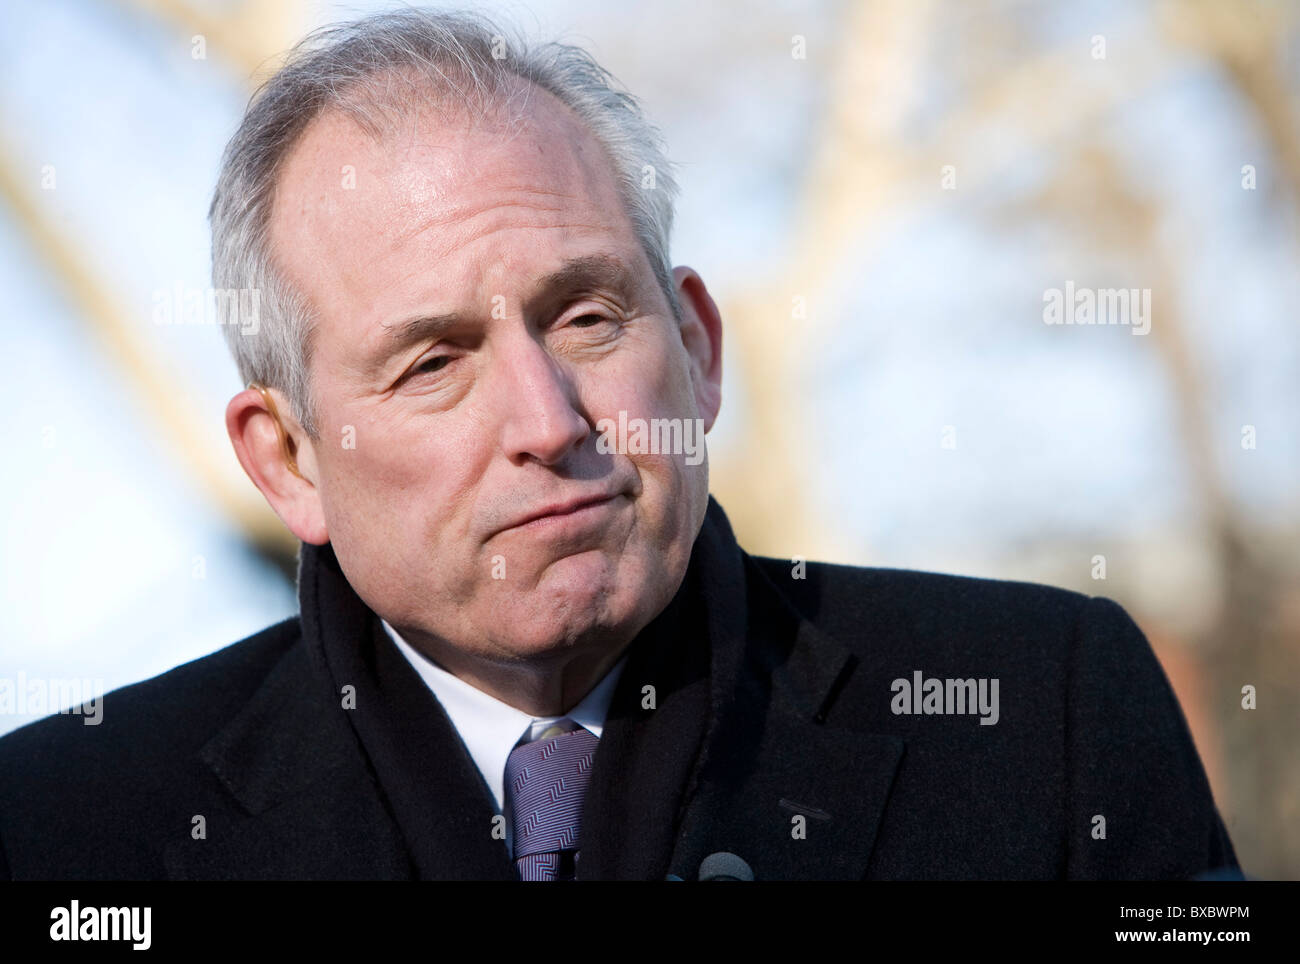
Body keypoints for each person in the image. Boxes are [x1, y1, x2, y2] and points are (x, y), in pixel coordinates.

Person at [0, 8, 1238, 880]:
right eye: (433, 363)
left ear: (698, 348)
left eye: (586, 317)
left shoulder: (1046, 716)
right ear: (288, 461)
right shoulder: (65, 829)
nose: (548, 422)